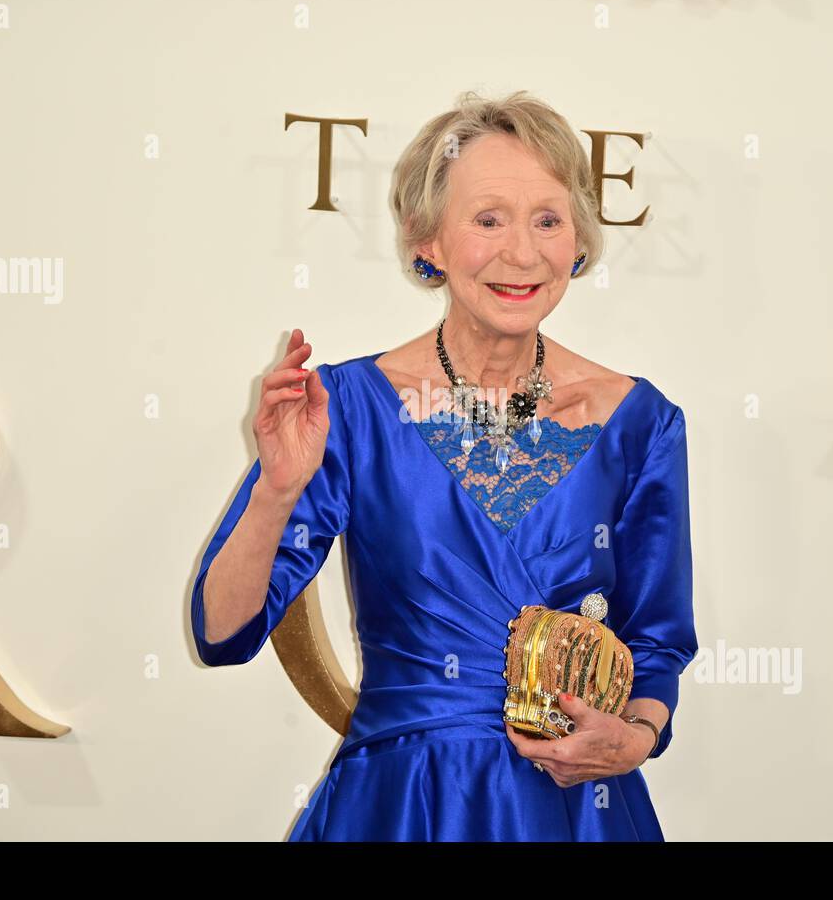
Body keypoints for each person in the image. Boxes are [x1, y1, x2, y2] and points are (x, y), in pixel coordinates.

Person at [191, 90, 697, 841]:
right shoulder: (350, 407)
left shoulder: (639, 421)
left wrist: (638, 735)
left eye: (548, 221)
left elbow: (657, 641)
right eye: (488, 220)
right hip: (403, 806)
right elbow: (220, 634)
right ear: (426, 239)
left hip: (575, 811)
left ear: (578, 243)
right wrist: (275, 489)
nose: (521, 253)